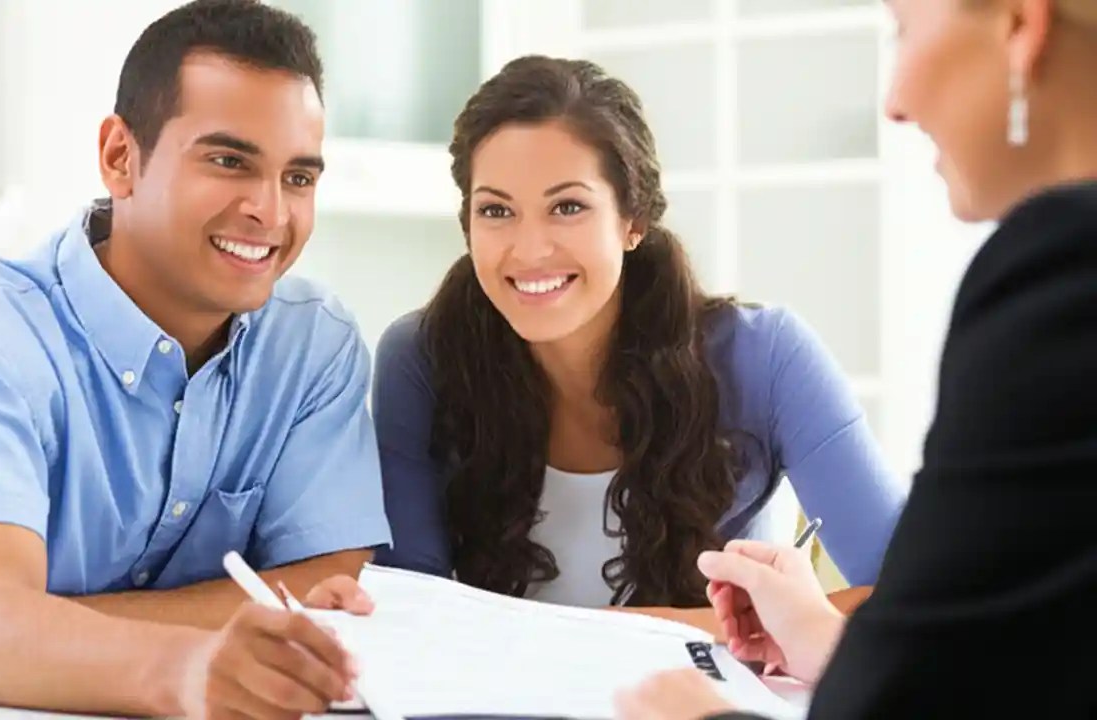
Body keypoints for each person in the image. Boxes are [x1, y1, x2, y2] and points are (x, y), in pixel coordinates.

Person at [0, 1, 391, 718]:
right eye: (229, 161)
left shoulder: (314, 345)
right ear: (119, 157)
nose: (271, 211)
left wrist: (38, 631)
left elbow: (326, 580)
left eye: (298, 178)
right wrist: (189, 658)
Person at [618, 0, 1097, 716]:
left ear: (1022, 28)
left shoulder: (1065, 274)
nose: (895, 102)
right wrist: (825, 638)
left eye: (905, 30)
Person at [370, 54, 906, 629]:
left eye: (567, 207)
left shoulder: (767, 358)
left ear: (634, 220)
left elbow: (916, 592)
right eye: (496, 210)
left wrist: (587, 642)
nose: (528, 250)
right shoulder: (422, 359)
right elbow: (407, 609)